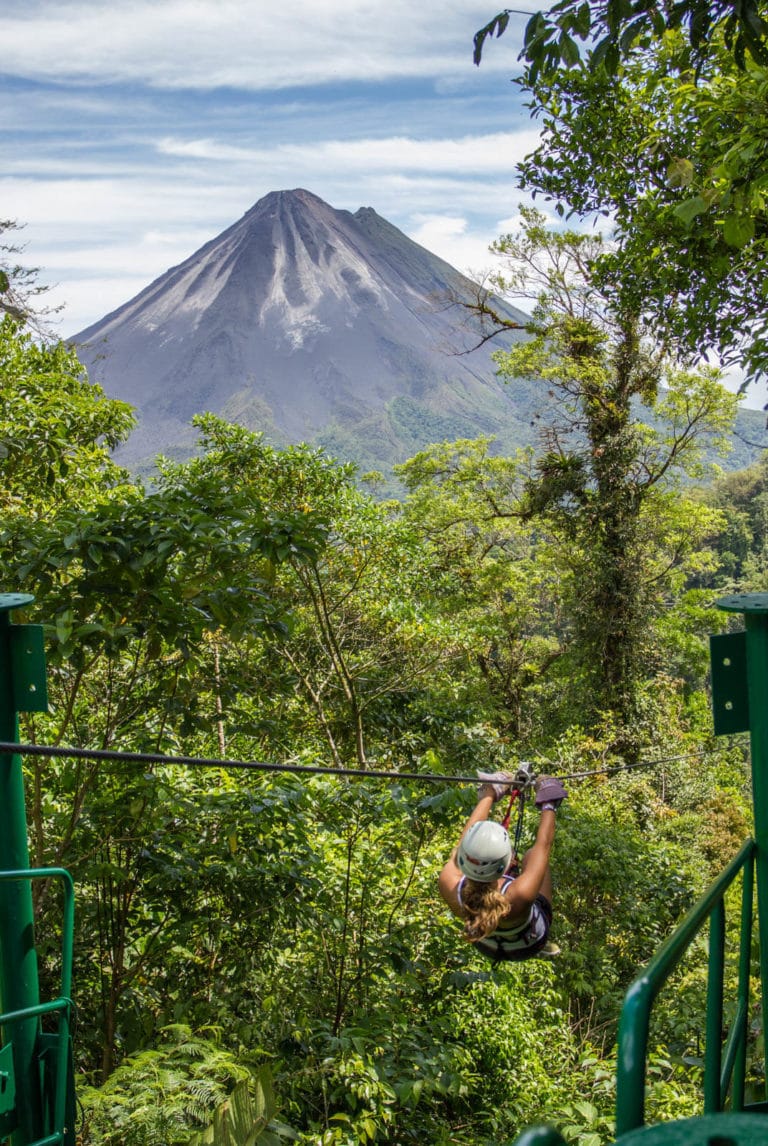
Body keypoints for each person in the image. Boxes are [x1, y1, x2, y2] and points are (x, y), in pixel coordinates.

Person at [438, 771, 567, 962]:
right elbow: (543, 846)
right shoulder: (519, 894)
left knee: (534, 860)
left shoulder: (448, 883)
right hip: (530, 944)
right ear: (506, 864)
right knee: (532, 856)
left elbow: (465, 844)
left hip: (485, 944)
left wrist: (490, 793)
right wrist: (549, 800)